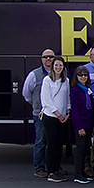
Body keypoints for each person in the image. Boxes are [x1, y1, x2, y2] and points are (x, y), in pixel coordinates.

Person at [22, 49, 59, 178]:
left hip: (56, 115)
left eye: (51, 57)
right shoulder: (34, 75)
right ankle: (39, 168)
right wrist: (38, 106)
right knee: (41, 141)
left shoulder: (59, 75)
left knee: (54, 142)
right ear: (41, 59)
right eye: (46, 57)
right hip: (41, 114)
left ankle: (54, 167)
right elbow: (26, 94)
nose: (48, 59)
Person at [37, 56, 70, 181]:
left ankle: (57, 169)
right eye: (56, 65)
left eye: (60, 65)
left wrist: (67, 112)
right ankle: (51, 172)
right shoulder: (47, 80)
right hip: (50, 117)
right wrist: (58, 114)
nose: (58, 67)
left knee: (59, 144)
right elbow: (46, 101)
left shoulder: (65, 80)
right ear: (52, 67)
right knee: (51, 144)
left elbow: (67, 98)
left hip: (62, 118)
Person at [69, 65, 94, 183]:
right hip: (81, 124)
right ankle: (78, 174)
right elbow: (75, 110)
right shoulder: (75, 90)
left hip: (89, 123)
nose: (83, 77)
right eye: (80, 75)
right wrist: (79, 127)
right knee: (80, 149)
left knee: (86, 149)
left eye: (85, 75)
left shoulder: (88, 89)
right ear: (76, 77)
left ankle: (84, 171)